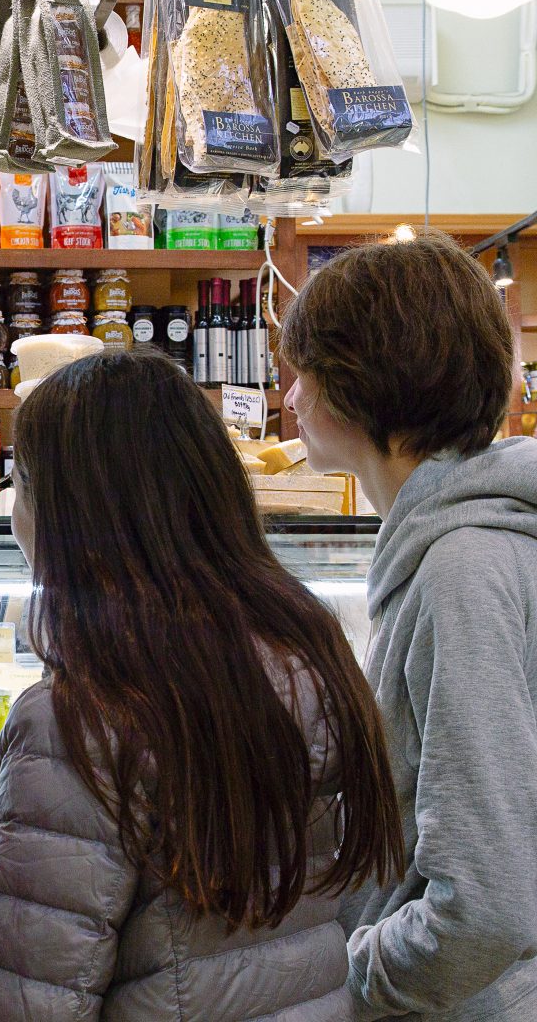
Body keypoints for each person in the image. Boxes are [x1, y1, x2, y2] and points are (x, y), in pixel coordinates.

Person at [0, 348, 405, 1020]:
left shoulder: (81, 718)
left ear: (71, 513)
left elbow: (27, 1000)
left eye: (21, 485)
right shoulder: (304, 660)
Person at [279, 231, 537, 1020]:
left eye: (305, 373)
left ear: (361, 384)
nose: (290, 400)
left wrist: (344, 977)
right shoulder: (460, 544)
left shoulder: (461, 569)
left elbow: (485, 909)